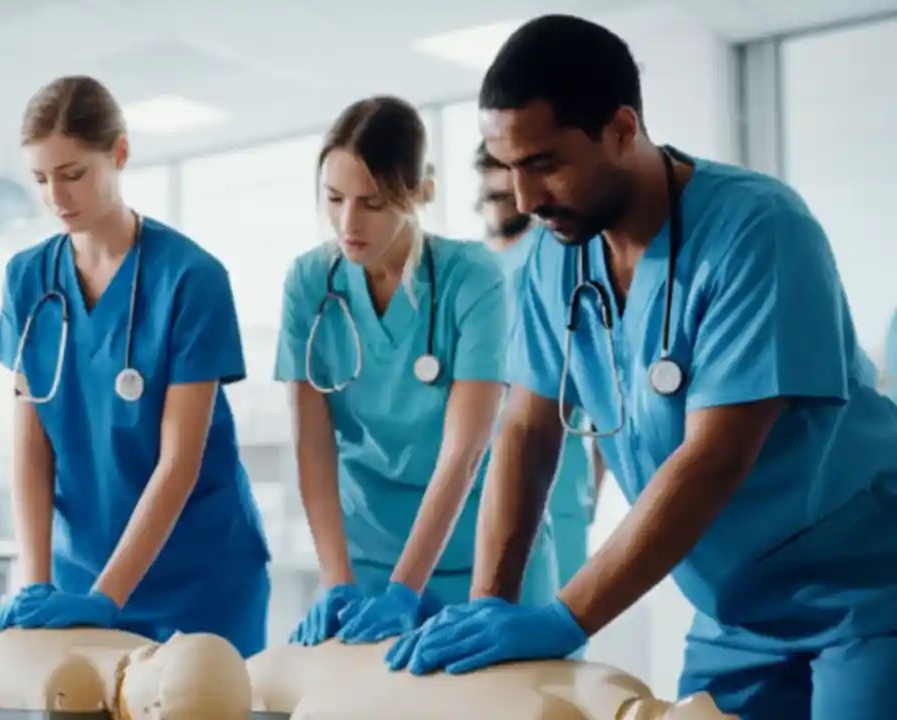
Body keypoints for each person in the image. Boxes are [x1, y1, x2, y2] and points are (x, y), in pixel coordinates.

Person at [386, 15, 897, 720]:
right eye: (508, 167)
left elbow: (714, 458)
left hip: (864, 597)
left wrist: (565, 618)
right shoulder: (555, 258)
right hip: (733, 616)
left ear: (622, 130)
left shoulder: (760, 231)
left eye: (544, 163)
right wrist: (489, 613)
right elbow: (528, 435)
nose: (526, 199)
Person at [0, 75, 271, 657]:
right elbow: (32, 450)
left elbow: (179, 463)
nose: (57, 197)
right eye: (41, 179)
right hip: (79, 576)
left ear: (118, 154)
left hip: (199, 584)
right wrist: (38, 582)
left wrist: (108, 599)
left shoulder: (192, 278)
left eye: (73, 174)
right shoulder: (27, 279)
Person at [276, 96, 558, 648]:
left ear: (420, 193)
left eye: (373, 203)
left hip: (483, 557)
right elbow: (313, 445)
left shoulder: (471, 277)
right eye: (334, 199)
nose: (348, 223)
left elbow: (465, 449)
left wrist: (408, 589)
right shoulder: (310, 282)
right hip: (370, 564)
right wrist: (338, 581)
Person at [473, 141, 604, 586]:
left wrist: (595, 484)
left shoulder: (555, 252)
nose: (503, 201)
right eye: (491, 192)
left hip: (558, 476)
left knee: (555, 623)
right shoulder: (474, 267)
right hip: (479, 477)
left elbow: (601, 379)